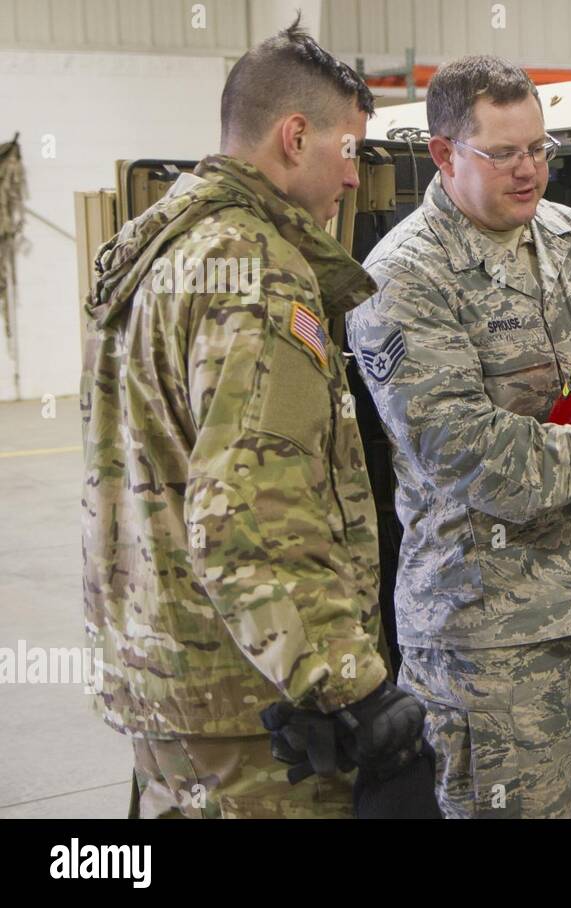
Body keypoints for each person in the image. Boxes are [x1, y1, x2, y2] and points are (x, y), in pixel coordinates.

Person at [81, 18, 427, 819]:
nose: (352, 179)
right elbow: (249, 508)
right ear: (295, 135)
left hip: (165, 676)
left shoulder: (159, 250)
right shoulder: (260, 277)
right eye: (348, 152)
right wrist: (349, 683)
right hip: (249, 705)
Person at [348, 55, 571, 818]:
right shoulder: (402, 281)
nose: (529, 171)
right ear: (444, 154)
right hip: (490, 636)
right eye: (503, 154)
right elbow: (471, 458)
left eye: (539, 149)